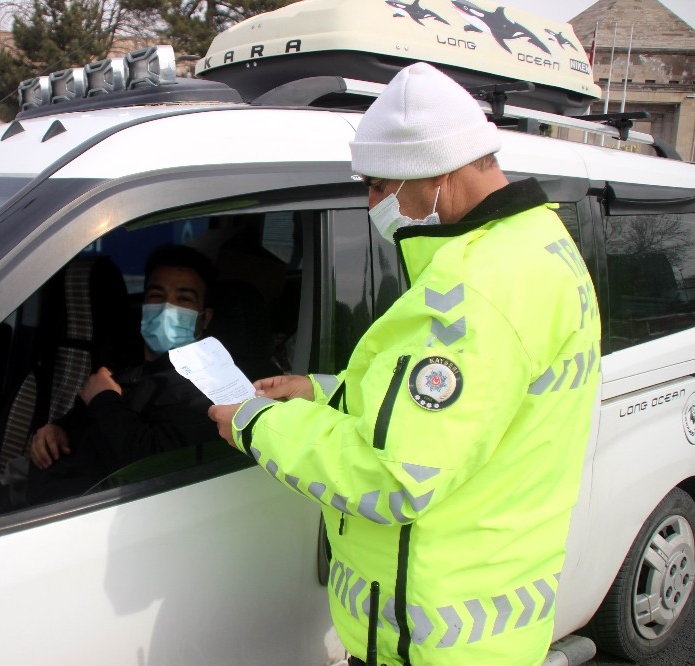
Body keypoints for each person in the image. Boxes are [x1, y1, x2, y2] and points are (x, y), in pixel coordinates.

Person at [209, 62, 601, 666]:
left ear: (435, 172)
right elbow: (462, 410)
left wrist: (258, 422)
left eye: (376, 185)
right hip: (492, 613)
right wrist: (322, 392)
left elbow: (393, 476)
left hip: (432, 640)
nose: (371, 203)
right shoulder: (537, 244)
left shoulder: (476, 293)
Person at [28, 244, 220, 501]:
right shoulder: (123, 362)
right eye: (156, 295)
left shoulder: (207, 387)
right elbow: (83, 420)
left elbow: (148, 465)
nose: (166, 307)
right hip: (51, 494)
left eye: (183, 299)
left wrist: (103, 400)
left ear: (204, 318)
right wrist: (55, 430)